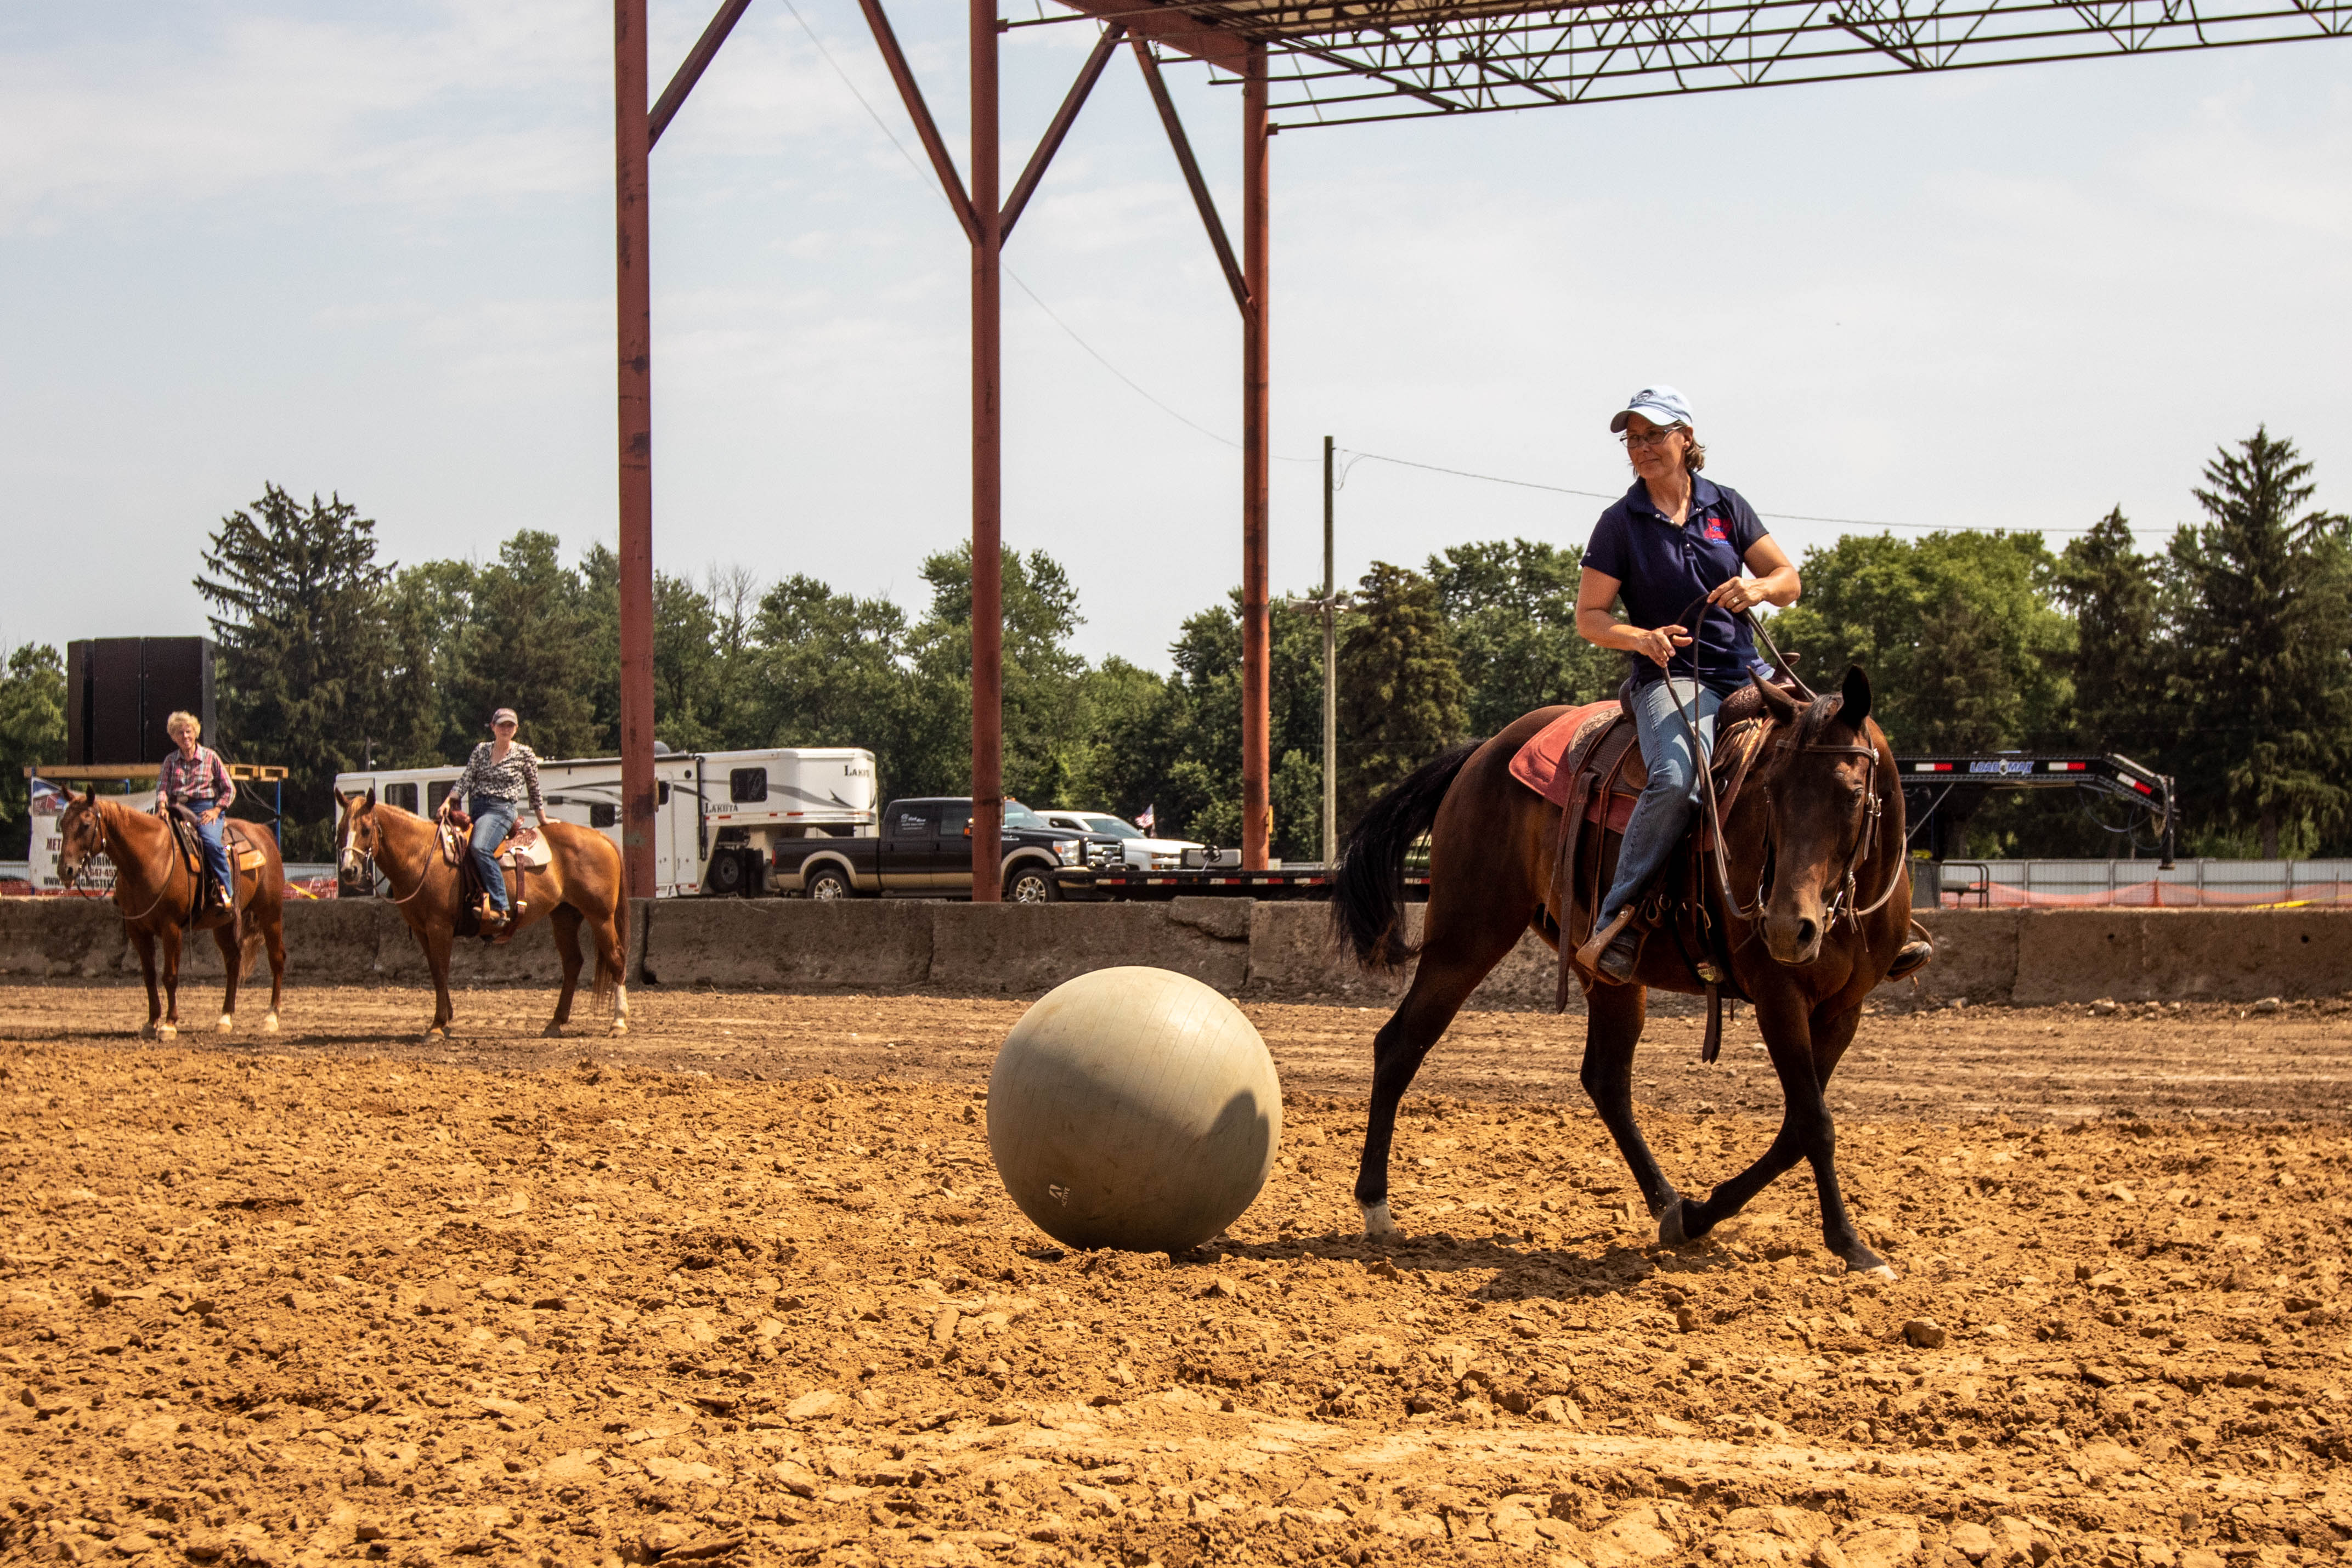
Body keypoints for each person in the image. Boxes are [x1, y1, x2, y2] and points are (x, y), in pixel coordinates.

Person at [1571, 386, 1801, 984]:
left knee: (1839, 751)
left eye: (1653, 435)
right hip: (1670, 677)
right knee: (1675, 782)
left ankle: (1875, 916)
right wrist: (1638, 637)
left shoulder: (1726, 506)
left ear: (1686, 439)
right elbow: (1590, 617)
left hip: (1746, 673)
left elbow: (1787, 578)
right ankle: (1618, 918)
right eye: (1632, 439)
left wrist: (1757, 589)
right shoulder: (1619, 523)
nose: (1641, 448)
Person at [442, 707, 546, 932]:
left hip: (502, 810)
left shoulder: (524, 754)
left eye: (510, 725)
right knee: (453, 847)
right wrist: (448, 802)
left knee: (480, 847)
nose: (506, 729)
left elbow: (534, 788)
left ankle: (500, 906)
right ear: (493, 727)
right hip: (477, 809)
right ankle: (470, 902)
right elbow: (466, 780)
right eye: (502, 725)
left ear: (516, 729)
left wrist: (542, 819)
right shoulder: (481, 750)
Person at [158, 711, 238, 915]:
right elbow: (162, 788)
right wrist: (161, 806)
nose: (185, 736)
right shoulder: (170, 761)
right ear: (173, 737)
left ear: (196, 733)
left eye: (188, 731)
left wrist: (216, 810)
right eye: (179, 733)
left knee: (210, 843)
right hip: (176, 809)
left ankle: (227, 893)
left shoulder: (210, 758)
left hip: (205, 810)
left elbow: (229, 788)